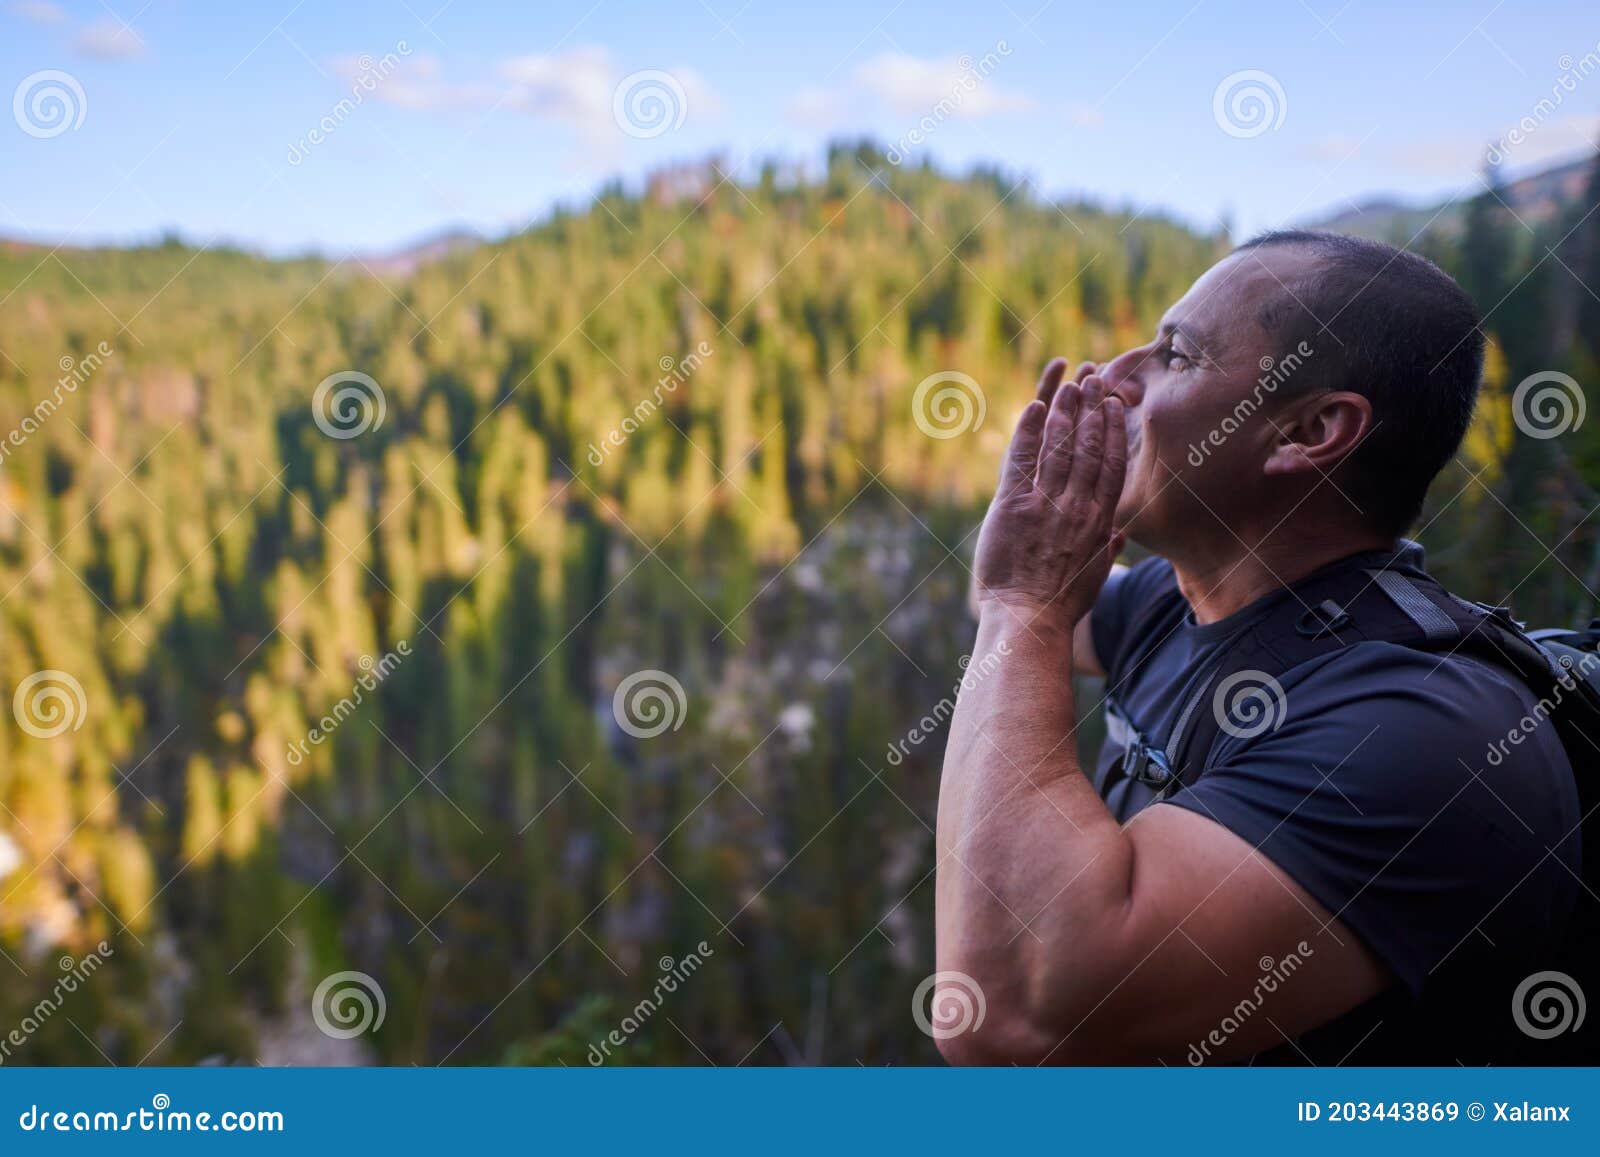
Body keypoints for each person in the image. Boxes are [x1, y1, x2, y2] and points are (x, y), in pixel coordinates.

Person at [934, 230, 1581, 1065]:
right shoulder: (1175, 601)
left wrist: (1024, 607)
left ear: (1308, 429)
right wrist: (1023, 581)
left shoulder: (1424, 730)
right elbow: (1002, 614)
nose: (1114, 378)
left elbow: (1011, 1011)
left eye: (1176, 354)